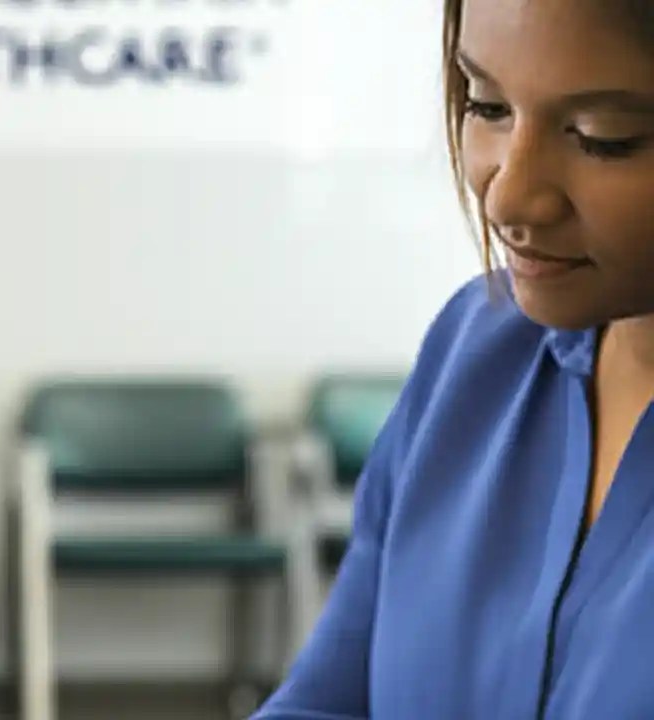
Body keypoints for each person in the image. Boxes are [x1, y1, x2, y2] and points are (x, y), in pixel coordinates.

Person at [253, 0, 654, 717]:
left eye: (603, 138)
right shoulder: (476, 349)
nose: (508, 195)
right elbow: (329, 701)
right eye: (486, 104)